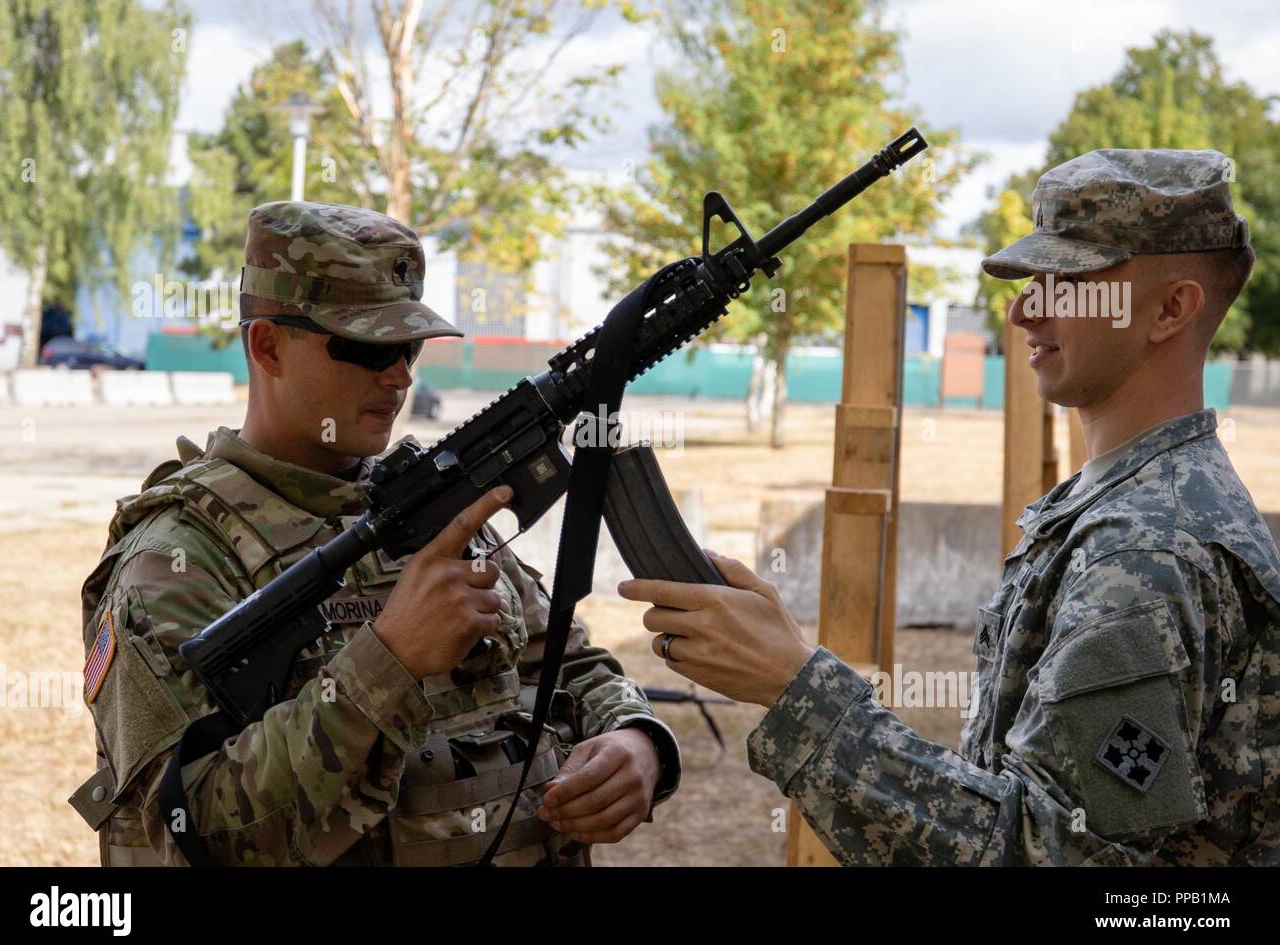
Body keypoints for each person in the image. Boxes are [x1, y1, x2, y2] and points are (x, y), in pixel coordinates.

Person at [617, 148, 1280, 865]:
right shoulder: (1132, 502)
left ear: (1172, 309)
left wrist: (798, 689)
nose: (1025, 308)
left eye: (1067, 281)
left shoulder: (1149, 546)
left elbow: (1053, 855)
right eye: (1031, 279)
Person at [70, 200, 679, 866]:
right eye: (364, 347)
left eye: (407, 347)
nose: (399, 376)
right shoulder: (174, 560)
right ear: (267, 345)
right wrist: (387, 661)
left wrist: (637, 740)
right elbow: (186, 832)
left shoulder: (436, 508)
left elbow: (570, 669)